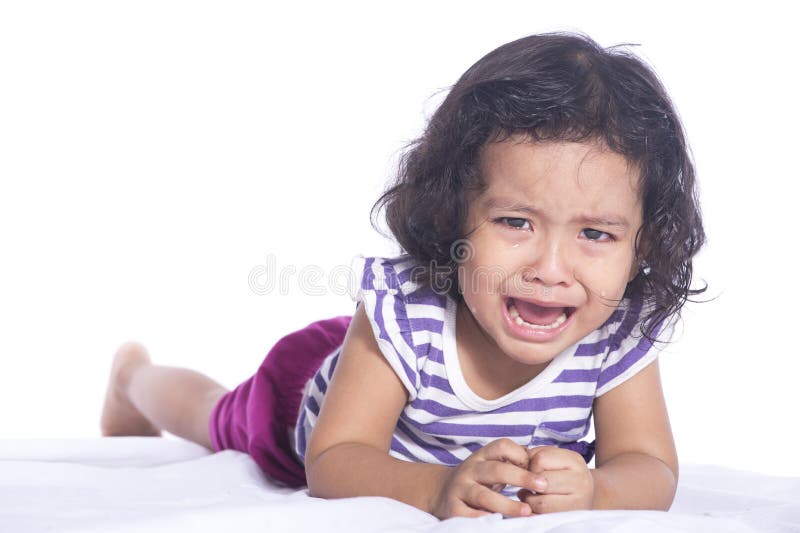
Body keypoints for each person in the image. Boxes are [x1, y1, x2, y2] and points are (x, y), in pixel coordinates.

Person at [100, 32, 706, 519]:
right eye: (515, 222)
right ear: (455, 213)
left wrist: (598, 491)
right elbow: (334, 459)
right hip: (313, 392)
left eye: (595, 234)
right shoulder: (406, 315)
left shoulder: (616, 330)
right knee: (214, 415)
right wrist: (436, 488)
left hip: (386, 359)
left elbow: (649, 465)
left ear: (642, 243)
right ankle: (133, 379)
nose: (550, 270)